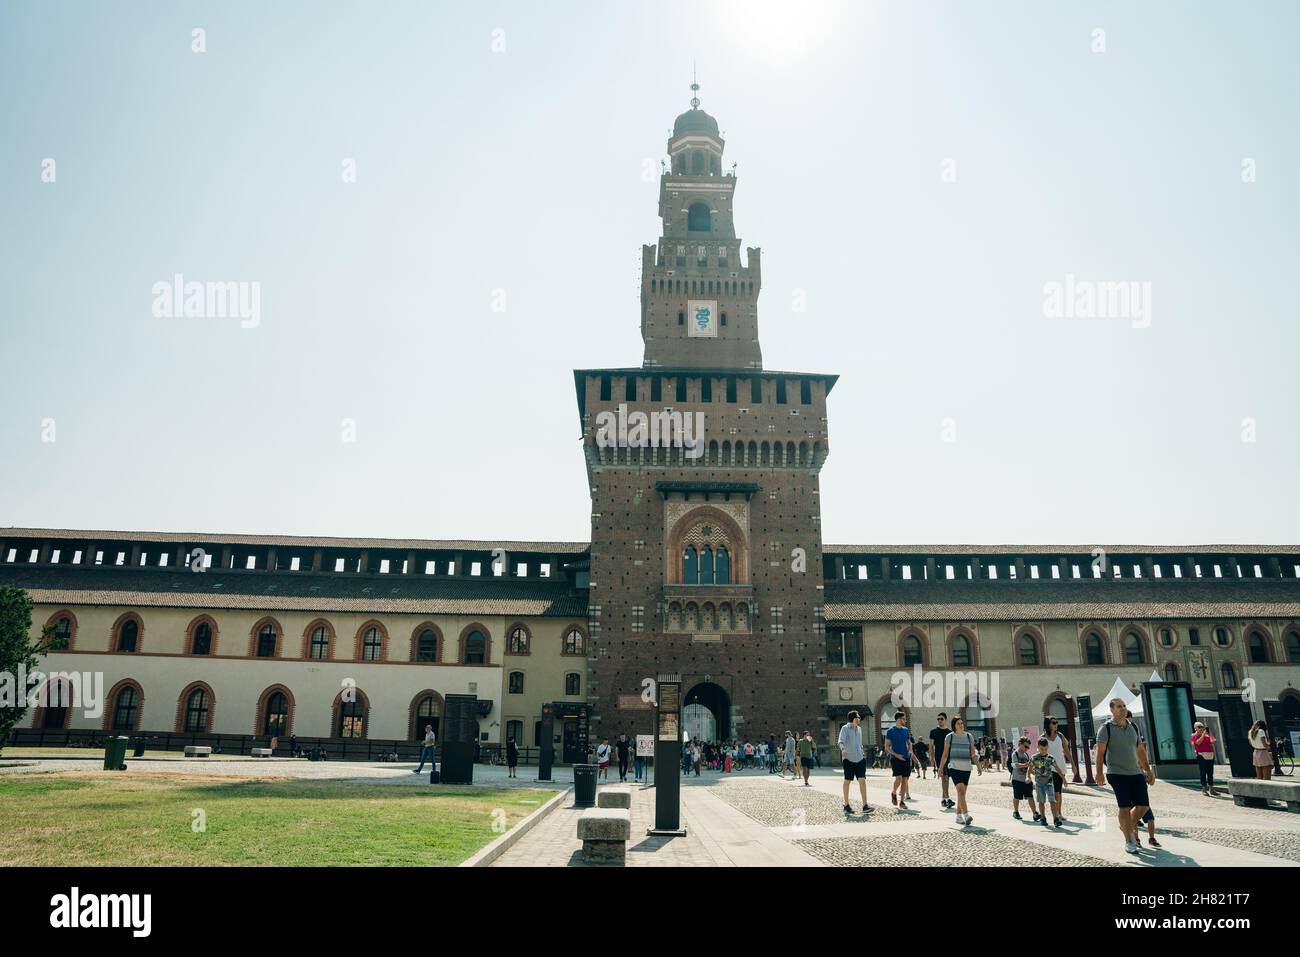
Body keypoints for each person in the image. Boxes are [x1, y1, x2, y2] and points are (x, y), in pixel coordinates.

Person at [1095, 697, 1156, 855]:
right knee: (1124, 806)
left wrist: (1148, 770)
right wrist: (1099, 772)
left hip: (1135, 772)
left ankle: (1125, 825)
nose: (1122, 708)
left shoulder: (1133, 727)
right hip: (1116, 773)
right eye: (1118, 706)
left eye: (1124, 706)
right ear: (1112, 710)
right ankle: (1129, 840)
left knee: (1143, 805)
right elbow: (1100, 752)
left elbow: (1140, 750)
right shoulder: (1106, 728)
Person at [939, 714, 981, 825]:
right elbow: (945, 754)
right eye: (958, 724)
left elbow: (972, 754)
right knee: (961, 791)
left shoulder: (969, 737)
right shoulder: (949, 737)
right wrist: (940, 768)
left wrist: (978, 765)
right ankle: (966, 815)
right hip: (954, 767)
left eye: (962, 723)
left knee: (961, 794)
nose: (961, 725)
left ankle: (958, 816)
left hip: (966, 768)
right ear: (954, 725)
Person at [837, 711, 874, 815]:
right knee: (847, 780)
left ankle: (865, 805)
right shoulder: (845, 728)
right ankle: (846, 804)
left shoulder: (859, 729)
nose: (859, 719)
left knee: (862, 780)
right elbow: (840, 741)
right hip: (848, 759)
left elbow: (859, 743)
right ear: (853, 718)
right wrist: (843, 749)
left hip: (860, 759)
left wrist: (862, 753)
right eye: (858, 717)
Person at [1028, 737, 1063, 828]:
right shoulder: (1034, 758)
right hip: (1039, 784)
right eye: (1042, 749)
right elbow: (1030, 769)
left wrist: (1064, 778)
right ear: (1038, 747)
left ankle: (1056, 818)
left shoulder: (1050, 758)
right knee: (1041, 801)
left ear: (1048, 747)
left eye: (1045, 749)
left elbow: (1057, 768)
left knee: (1052, 801)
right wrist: (1031, 776)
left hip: (1049, 783)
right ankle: (1043, 818)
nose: (1044, 751)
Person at [884, 711, 915, 809]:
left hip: (905, 758)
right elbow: (887, 747)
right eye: (904, 719)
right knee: (899, 779)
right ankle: (893, 793)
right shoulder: (890, 731)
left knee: (905, 779)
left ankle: (902, 802)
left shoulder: (905, 730)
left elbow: (909, 743)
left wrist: (910, 750)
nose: (905, 720)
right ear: (898, 719)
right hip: (895, 758)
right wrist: (897, 755)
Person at [1042, 716, 1070, 824]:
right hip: (1050, 769)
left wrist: (1073, 764)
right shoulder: (1043, 738)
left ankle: (1059, 812)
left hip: (1061, 767)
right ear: (1048, 724)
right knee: (1056, 791)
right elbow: (1041, 754)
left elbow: (1066, 751)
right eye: (1053, 722)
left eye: (1056, 722)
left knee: (1059, 792)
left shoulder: (1060, 735)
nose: (1056, 724)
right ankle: (1056, 814)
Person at [1009, 736, 1037, 821]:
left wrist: (1036, 773)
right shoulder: (1015, 754)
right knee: (1017, 797)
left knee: (1030, 796)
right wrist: (1026, 765)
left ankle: (1035, 813)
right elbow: (1014, 765)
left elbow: (1029, 768)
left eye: (1028, 747)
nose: (1027, 749)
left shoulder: (1026, 754)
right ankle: (1016, 811)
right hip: (1017, 780)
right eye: (1026, 746)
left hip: (1027, 780)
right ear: (1020, 744)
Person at [930, 714, 954, 809]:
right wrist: (931, 758)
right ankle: (947, 799)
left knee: (946, 778)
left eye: (941, 719)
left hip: (949, 757)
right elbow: (931, 746)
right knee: (945, 777)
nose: (939, 720)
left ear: (945, 720)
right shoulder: (934, 731)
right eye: (938, 719)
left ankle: (943, 799)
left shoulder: (950, 733)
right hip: (939, 757)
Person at [1191, 722, 1218, 795]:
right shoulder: (1194, 736)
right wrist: (1203, 735)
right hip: (1201, 756)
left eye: (1202, 727)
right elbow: (1198, 742)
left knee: (1210, 773)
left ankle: (1211, 789)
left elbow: (1213, 741)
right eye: (1199, 727)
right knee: (1203, 773)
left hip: (1210, 756)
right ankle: (1204, 789)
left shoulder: (1207, 736)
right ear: (1195, 728)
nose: (1201, 728)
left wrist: (1210, 733)